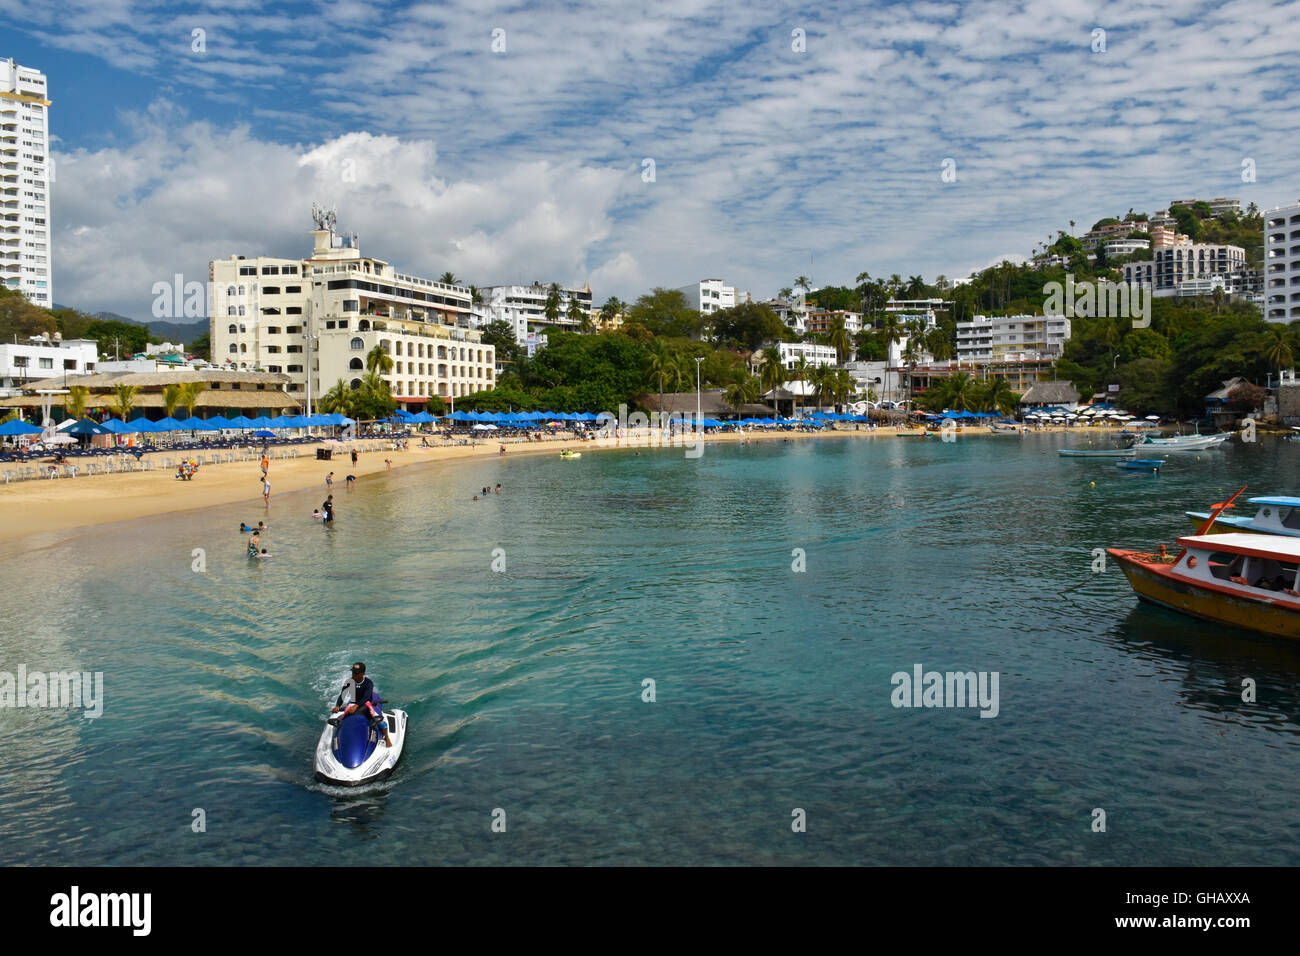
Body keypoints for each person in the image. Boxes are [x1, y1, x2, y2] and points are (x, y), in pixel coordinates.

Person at [331, 662, 392, 747]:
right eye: (353, 672)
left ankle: (387, 737)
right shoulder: (349, 682)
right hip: (353, 703)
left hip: (366, 704)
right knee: (344, 717)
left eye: (356, 673)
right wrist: (338, 706)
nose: (353, 675)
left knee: (380, 721)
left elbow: (366, 697)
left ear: (363, 673)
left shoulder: (368, 683)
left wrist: (356, 706)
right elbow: (342, 695)